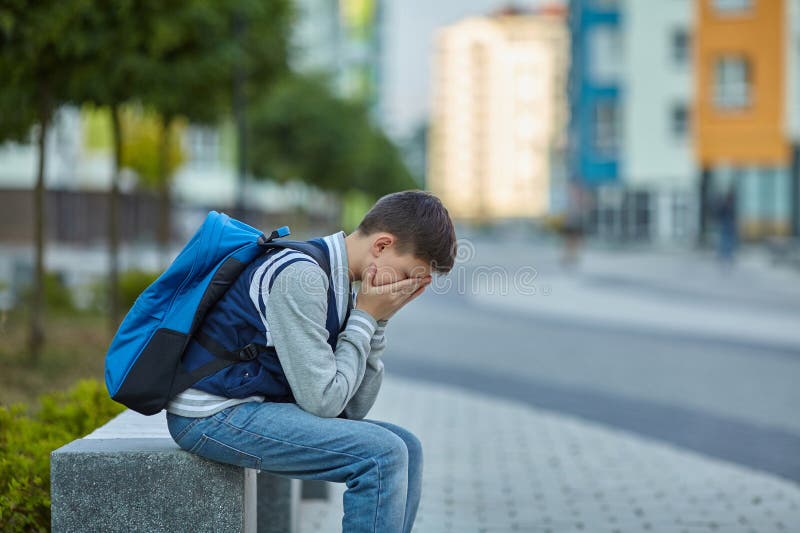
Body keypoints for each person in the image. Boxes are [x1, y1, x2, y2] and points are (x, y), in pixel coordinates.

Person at [165, 190, 457, 533]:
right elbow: (323, 402)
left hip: (249, 407)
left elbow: (352, 410)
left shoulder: (341, 282)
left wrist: (377, 323)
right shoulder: (301, 277)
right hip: (211, 416)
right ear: (381, 246)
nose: (405, 289)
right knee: (383, 455)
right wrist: (365, 317)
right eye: (408, 275)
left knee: (407, 447)